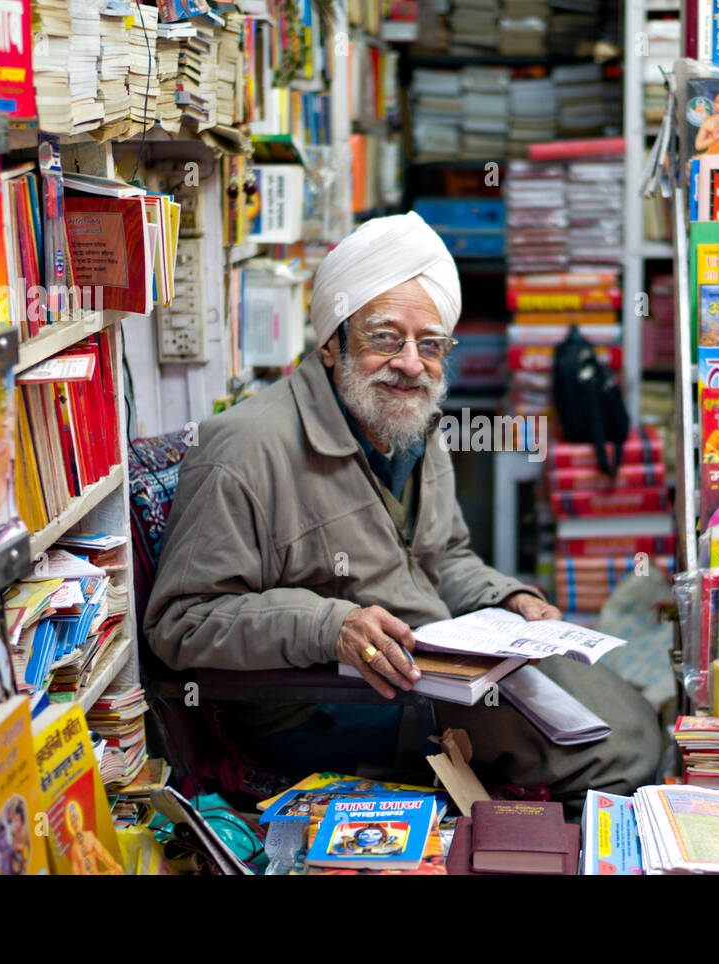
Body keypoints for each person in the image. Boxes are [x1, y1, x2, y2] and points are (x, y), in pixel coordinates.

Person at [144, 212, 660, 807]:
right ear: (333, 341)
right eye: (385, 337)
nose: (411, 363)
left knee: (630, 712)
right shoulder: (245, 450)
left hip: (438, 667)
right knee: (616, 755)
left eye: (431, 345)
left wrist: (506, 598)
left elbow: (445, 559)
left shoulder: (412, 422)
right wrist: (330, 626)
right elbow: (179, 624)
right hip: (329, 704)